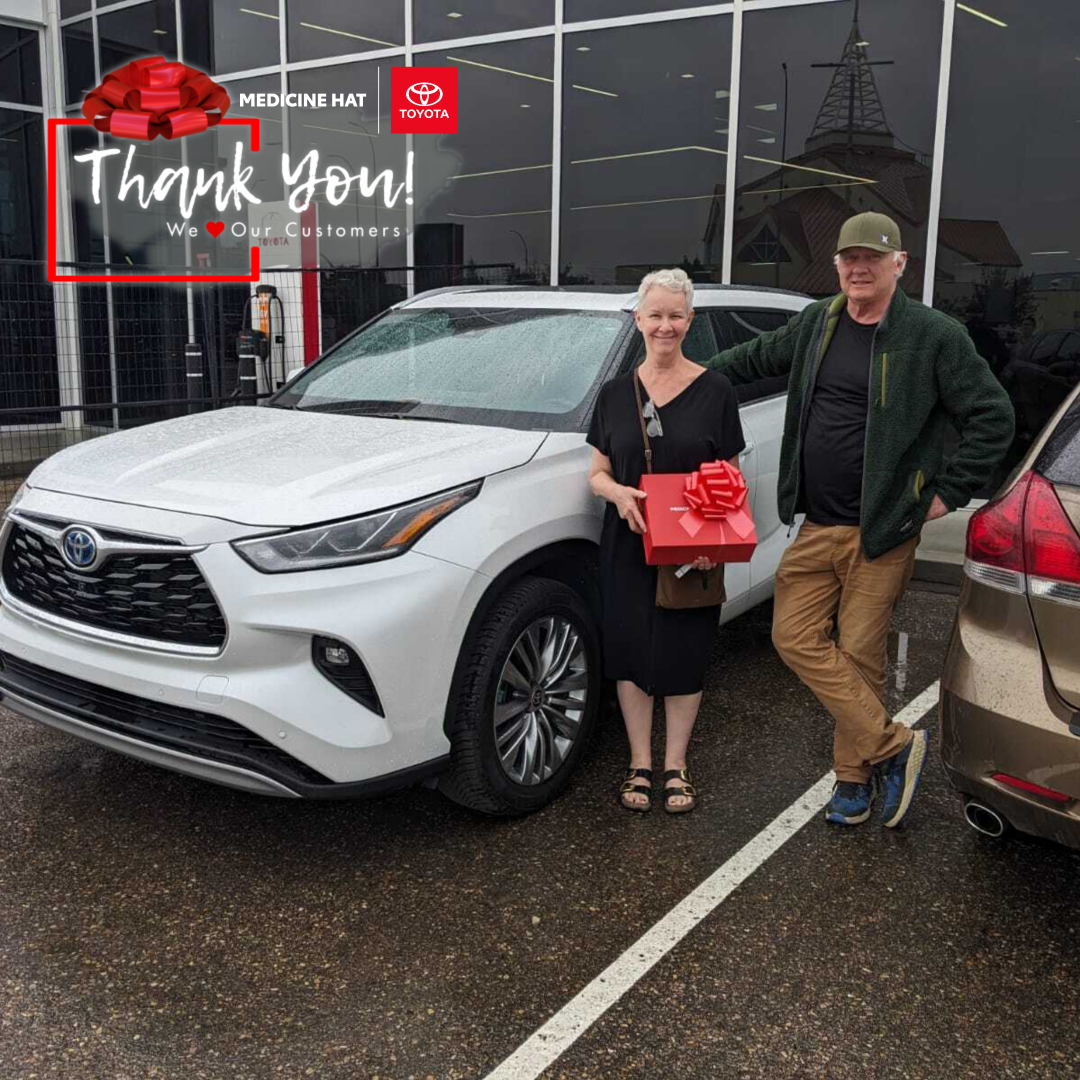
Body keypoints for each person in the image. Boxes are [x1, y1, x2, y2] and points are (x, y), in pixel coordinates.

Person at [707, 211, 1014, 828]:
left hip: (883, 532)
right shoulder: (818, 322)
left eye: (873, 258)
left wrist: (942, 497)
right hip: (816, 523)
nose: (859, 268)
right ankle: (894, 744)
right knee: (792, 637)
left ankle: (852, 783)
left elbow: (993, 416)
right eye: (849, 258)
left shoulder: (934, 335)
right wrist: (677, 372)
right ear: (838, 263)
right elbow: (751, 357)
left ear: (899, 264)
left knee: (862, 655)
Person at [588, 268, 745, 814]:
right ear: (637, 320)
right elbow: (597, 472)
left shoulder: (715, 390)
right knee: (631, 656)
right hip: (628, 546)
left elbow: (729, 479)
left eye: (675, 315)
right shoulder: (613, 395)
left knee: (684, 655)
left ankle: (675, 764)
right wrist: (618, 496)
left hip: (691, 552)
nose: (665, 326)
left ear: (690, 321)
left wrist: (713, 541)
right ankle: (639, 763)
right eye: (654, 315)